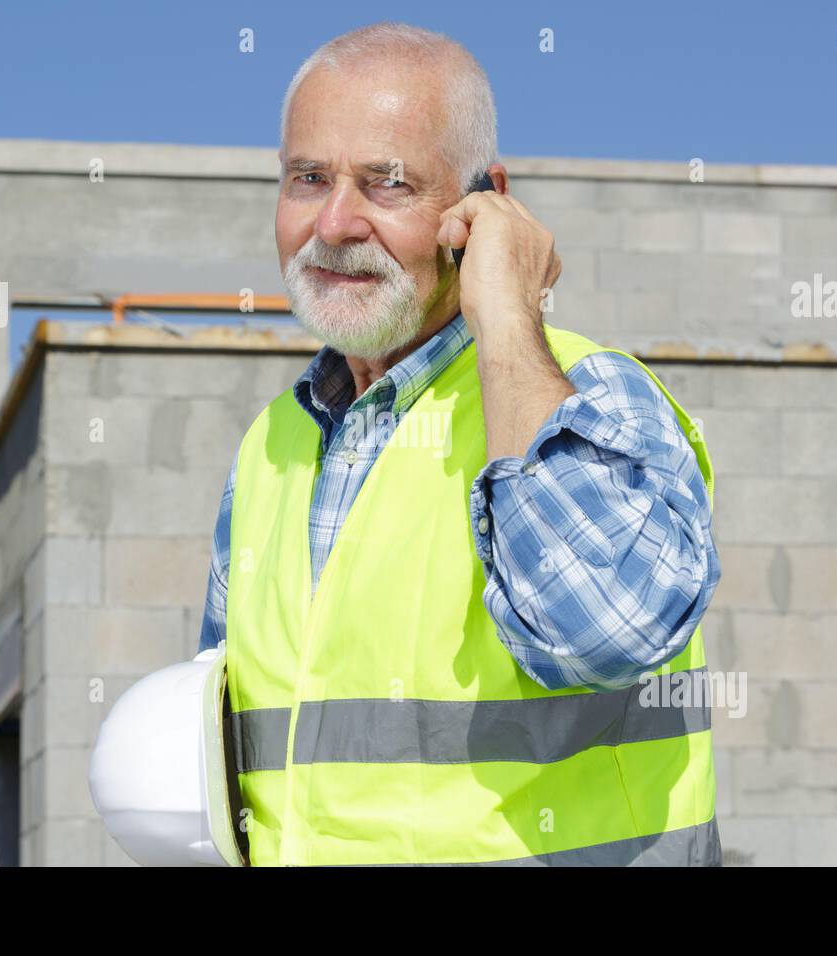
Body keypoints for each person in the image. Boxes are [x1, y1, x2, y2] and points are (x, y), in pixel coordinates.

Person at [197, 22, 723, 866]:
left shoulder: (595, 395)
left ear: (485, 206)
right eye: (308, 178)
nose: (335, 222)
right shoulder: (273, 446)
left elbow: (603, 632)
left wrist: (508, 316)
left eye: (388, 183)